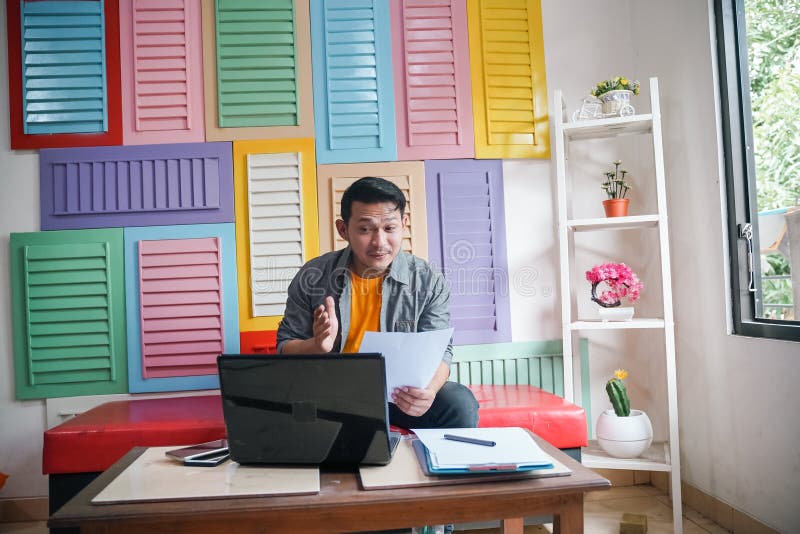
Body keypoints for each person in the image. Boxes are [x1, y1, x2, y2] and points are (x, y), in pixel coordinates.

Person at [277, 176, 479, 429]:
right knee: (285, 401)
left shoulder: (428, 280)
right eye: (365, 229)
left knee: (458, 402)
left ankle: (442, 467)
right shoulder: (313, 275)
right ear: (343, 230)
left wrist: (428, 392)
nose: (379, 242)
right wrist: (316, 346)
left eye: (389, 228)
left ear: (404, 225)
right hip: (333, 396)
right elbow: (285, 345)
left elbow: (441, 350)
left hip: (399, 396)